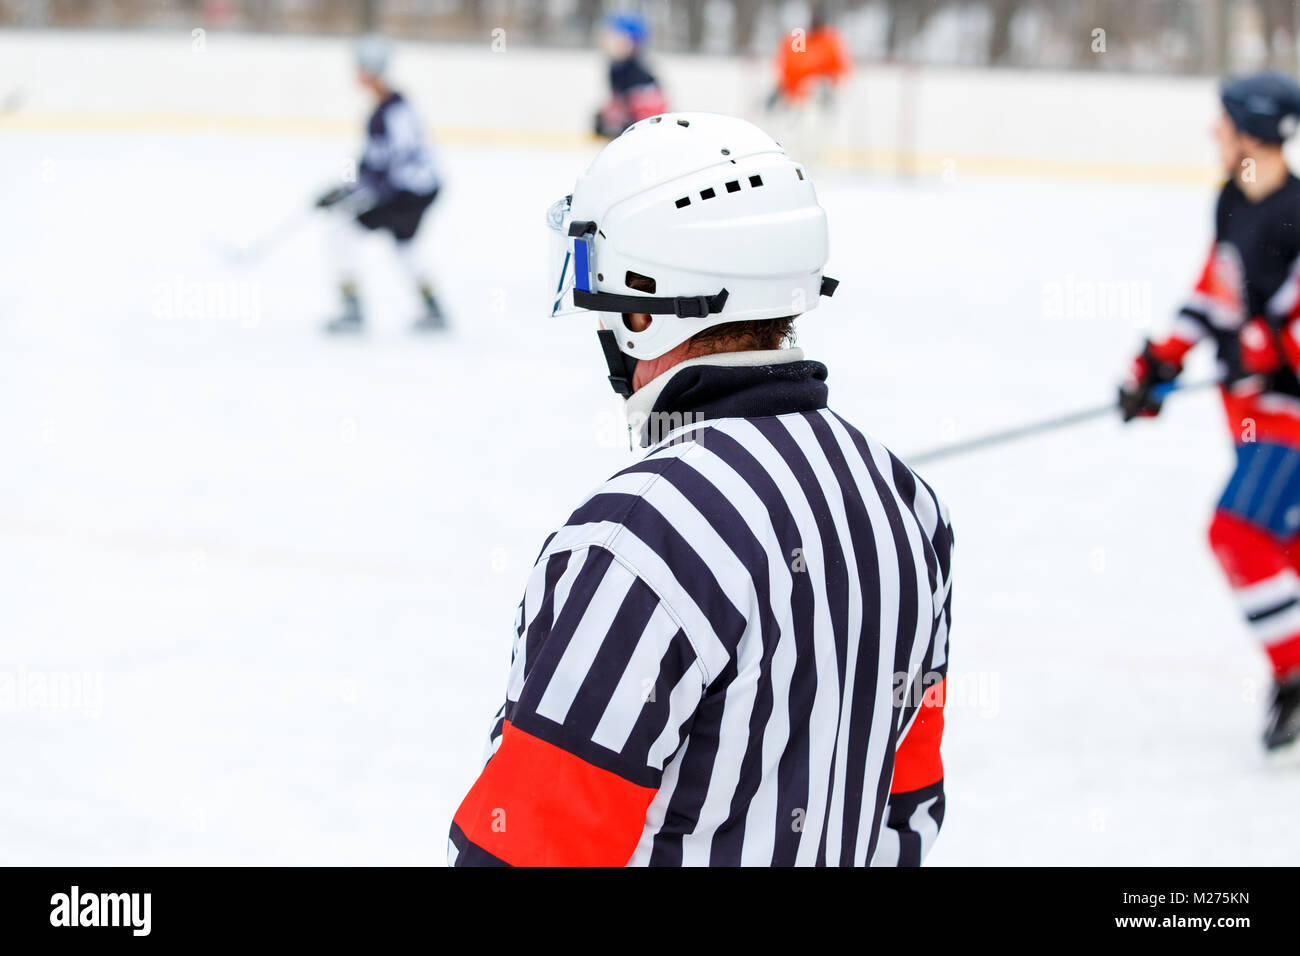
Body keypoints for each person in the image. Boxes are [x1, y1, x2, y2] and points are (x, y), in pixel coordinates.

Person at [448, 113, 954, 866]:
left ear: (647, 309)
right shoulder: (907, 505)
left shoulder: (638, 535)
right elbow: (906, 801)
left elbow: (529, 846)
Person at [1119, 72, 1300, 753]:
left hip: (1288, 417)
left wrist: (1269, 348)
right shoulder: (1231, 201)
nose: (1213, 133)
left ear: (1252, 131)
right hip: (1252, 416)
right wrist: (1158, 365)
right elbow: (1216, 291)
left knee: (1238, 534)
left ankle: (1294, 672)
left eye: (1223, 122)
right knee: (1285, 548)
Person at [317, 34, 445, 333]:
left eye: (359, 67)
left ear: (370, 70)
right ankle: (434, 309)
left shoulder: (388, 114)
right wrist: (345, 190)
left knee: (340, 233)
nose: (356, 74)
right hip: (418, 191)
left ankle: (352, 312)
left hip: (406, 194)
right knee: (404, 246)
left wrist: (349, 193)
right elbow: (376, 166)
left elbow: (389, 168)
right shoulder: (394, 107)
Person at [594, 12, 668, 139]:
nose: (609, 45)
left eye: (615, 40)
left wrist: (614, 124)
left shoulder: (639, 78)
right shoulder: (617, 71)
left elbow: (648, 125)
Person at [770, 2, 852, 111]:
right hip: (794, 96)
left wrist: (826, 83)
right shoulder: (796, 39)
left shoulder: (829, 40)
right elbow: (787, 67)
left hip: (820, 93)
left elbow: (841, 69)